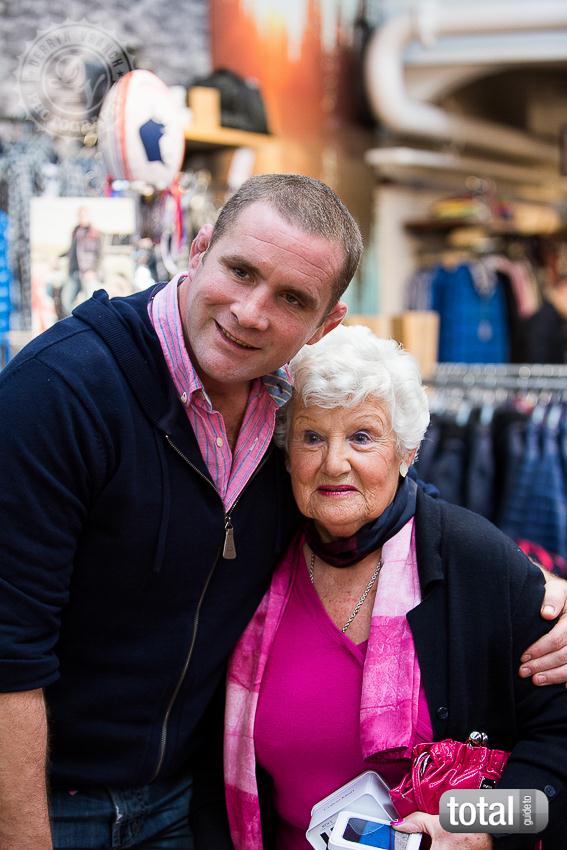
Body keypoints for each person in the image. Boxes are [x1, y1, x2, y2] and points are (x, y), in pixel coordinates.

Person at [0, 173, 565, 850]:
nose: (250, 312)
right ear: (198, 248)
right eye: (239, 270)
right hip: (71, 806)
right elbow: (9, 651)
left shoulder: (464, 566)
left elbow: (550, 777)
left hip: (173, 808)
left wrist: (477, 825)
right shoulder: (63, 391)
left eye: (362, 438)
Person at [224, 324, 567, 850]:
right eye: (312, 437)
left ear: (406, 452)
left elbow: (558, 748)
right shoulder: (254, 562)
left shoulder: (472, 559)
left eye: (362, 437)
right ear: (287, 453)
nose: (334, 462)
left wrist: (482, 828)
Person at [60, 206, 103, 316]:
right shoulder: (75, 230)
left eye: (84, 215)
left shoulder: (95, 232)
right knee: (66, 299)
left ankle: (91, 327)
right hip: (74, 271)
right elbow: (72, 250)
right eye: (80, 216)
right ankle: (74, 323)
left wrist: (93, 270)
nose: (82, 218)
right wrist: (58, 257)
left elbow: (100, 254)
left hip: (88, 271)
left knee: (91, 302)